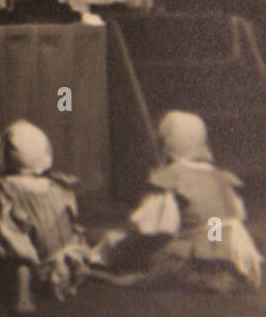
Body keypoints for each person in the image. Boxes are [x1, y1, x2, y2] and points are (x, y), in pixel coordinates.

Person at [102, 111, 262, 293]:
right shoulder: (220, 177)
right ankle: (224, 271)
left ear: (167, 144)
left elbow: (156, 226)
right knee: (211, 236)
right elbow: (237, 214)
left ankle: (206, 271)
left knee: (145, 250)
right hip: (235, 252)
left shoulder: (173, 177)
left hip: (202, 251)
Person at [0, 120, 101, 313]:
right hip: (68, 262)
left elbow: (17, 238)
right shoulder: (57, 185)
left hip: (40, 265)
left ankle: (23, 296)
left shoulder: (8, 188)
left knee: (14, 234)